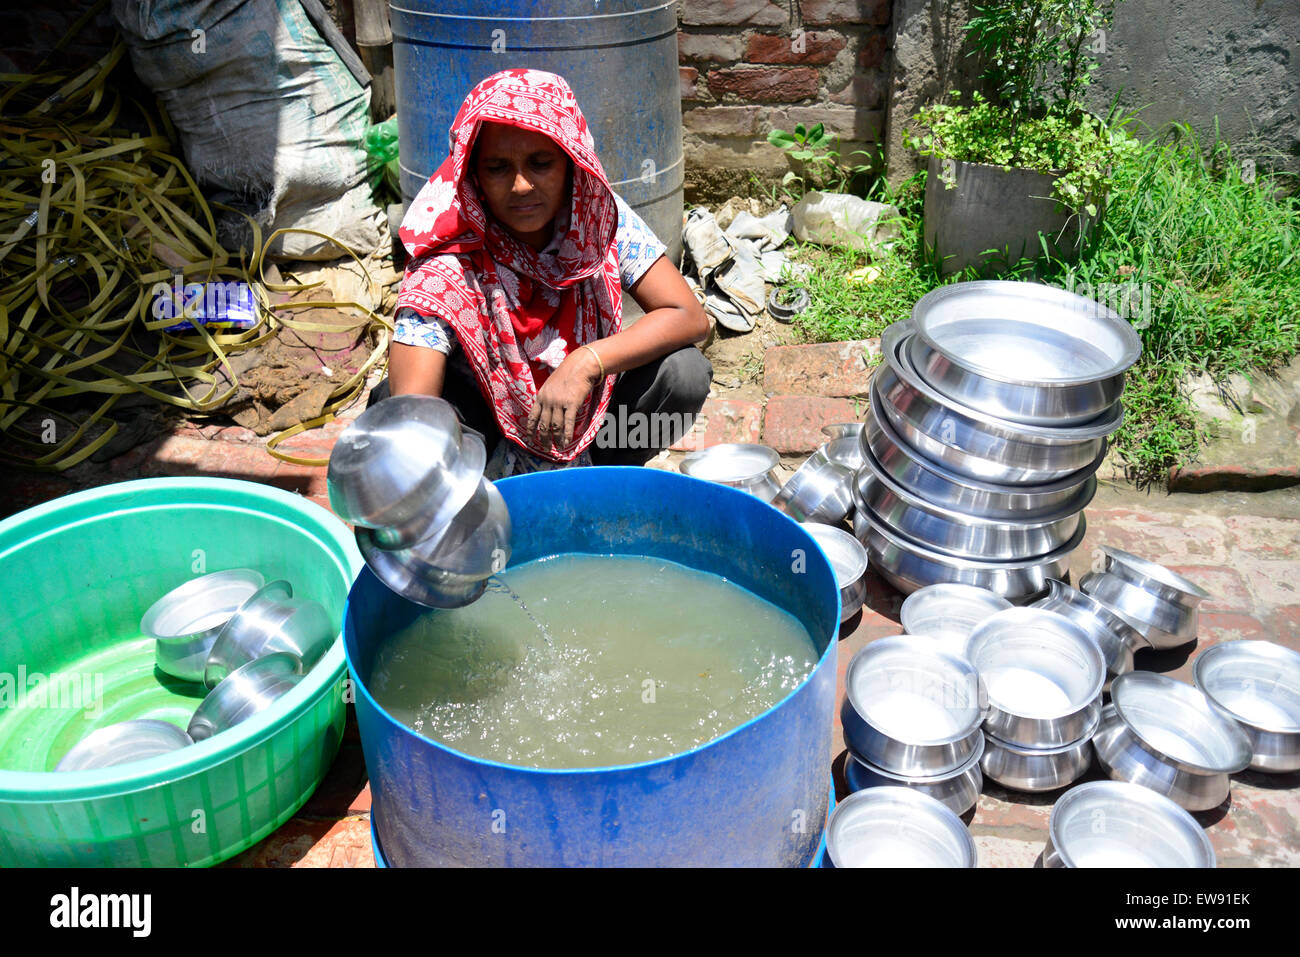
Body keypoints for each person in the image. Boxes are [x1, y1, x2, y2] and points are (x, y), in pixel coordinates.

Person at [382, 69, 712, 478]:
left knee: (683, 373)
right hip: (483, 444)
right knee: (396, 418)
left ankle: (603, 480)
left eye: (540, 163)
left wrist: (585, 362)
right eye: (498, 168)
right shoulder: (446, 253)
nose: (521, 186)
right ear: (474, 176)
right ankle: (482, 496)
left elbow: (688, 315)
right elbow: (415, 409)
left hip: (592, 428)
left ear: (572, 166)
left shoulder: (596, 219)